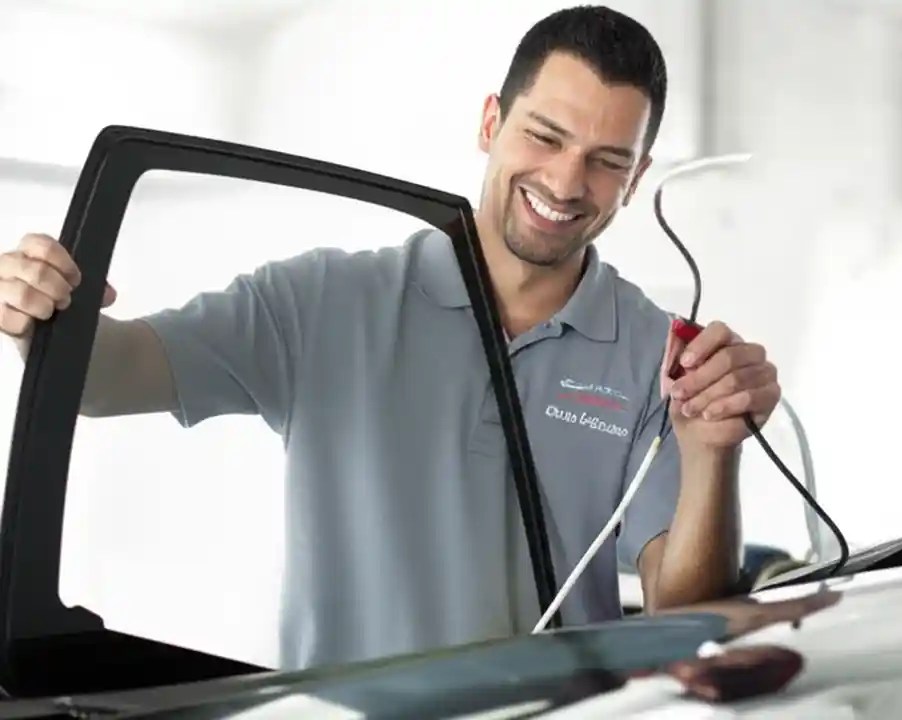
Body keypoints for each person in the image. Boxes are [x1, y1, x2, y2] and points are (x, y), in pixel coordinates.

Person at [0, 5, 781, 670]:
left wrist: (713, 449)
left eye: (607, 161)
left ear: (638, 177)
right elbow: (105, 380)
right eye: (545, 137)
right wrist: (45, 316)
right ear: (490, 123)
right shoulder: (322, 300)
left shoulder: (657, 355)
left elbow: (688, 609)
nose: (567, 183)